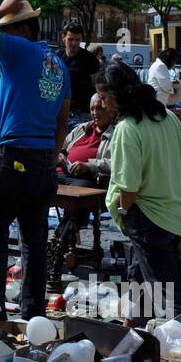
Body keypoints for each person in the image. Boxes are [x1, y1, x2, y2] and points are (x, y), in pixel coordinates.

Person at [0, 0, 71, 318]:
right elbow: (63, 120)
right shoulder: (58, 64)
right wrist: (50, 158)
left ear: (22, 30)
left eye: (7, 29)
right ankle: (32, 315)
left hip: (12, 157)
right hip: (41, 162)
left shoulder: (18, 50)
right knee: (34, 245)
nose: (1, 36)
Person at [97, 62, 181, 319]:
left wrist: (122, 211)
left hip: (148, 217)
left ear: (117, 97)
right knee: (139, 271)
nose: (103, 105)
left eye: (105, 98)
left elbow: (129, 188)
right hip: (171, 212)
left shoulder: (127, 129)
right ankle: (134, 329)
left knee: (168, 291)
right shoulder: (169, 118)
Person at [56, 92, 115, 253]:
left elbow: (118, 164)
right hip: (62, 172)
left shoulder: (116, 134)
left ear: (109, 109)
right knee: (36, 187)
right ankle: (43, 243)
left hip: (87, 179)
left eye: (99, 108)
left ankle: (58, 243)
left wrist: (90, 165)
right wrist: (60, 153)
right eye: (92, 109)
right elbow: (63, 142)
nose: (95, 113)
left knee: (78, 200)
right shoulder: (83, 128)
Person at [60, 22, 100, 128]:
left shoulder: (89, 59)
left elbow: (98, 86)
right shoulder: (57, 58)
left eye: (77, 40)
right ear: (63, 38)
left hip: (82, 113)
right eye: (71, 39)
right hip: (61, 111)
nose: (74, 43)